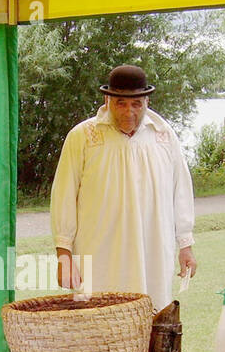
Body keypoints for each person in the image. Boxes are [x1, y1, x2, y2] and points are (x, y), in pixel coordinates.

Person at [50, 64, 197, 312]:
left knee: (153, 319)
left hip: (153, 249)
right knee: (99, 321)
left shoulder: (163, 135)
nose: (129, 112)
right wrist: (64, 257)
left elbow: (180, 191)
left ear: (146, 101)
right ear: (107, 100)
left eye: (136, 104)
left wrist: (186, 246)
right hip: (99, 253)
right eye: (121, 103)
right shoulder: (83, 136)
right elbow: (63, 196)